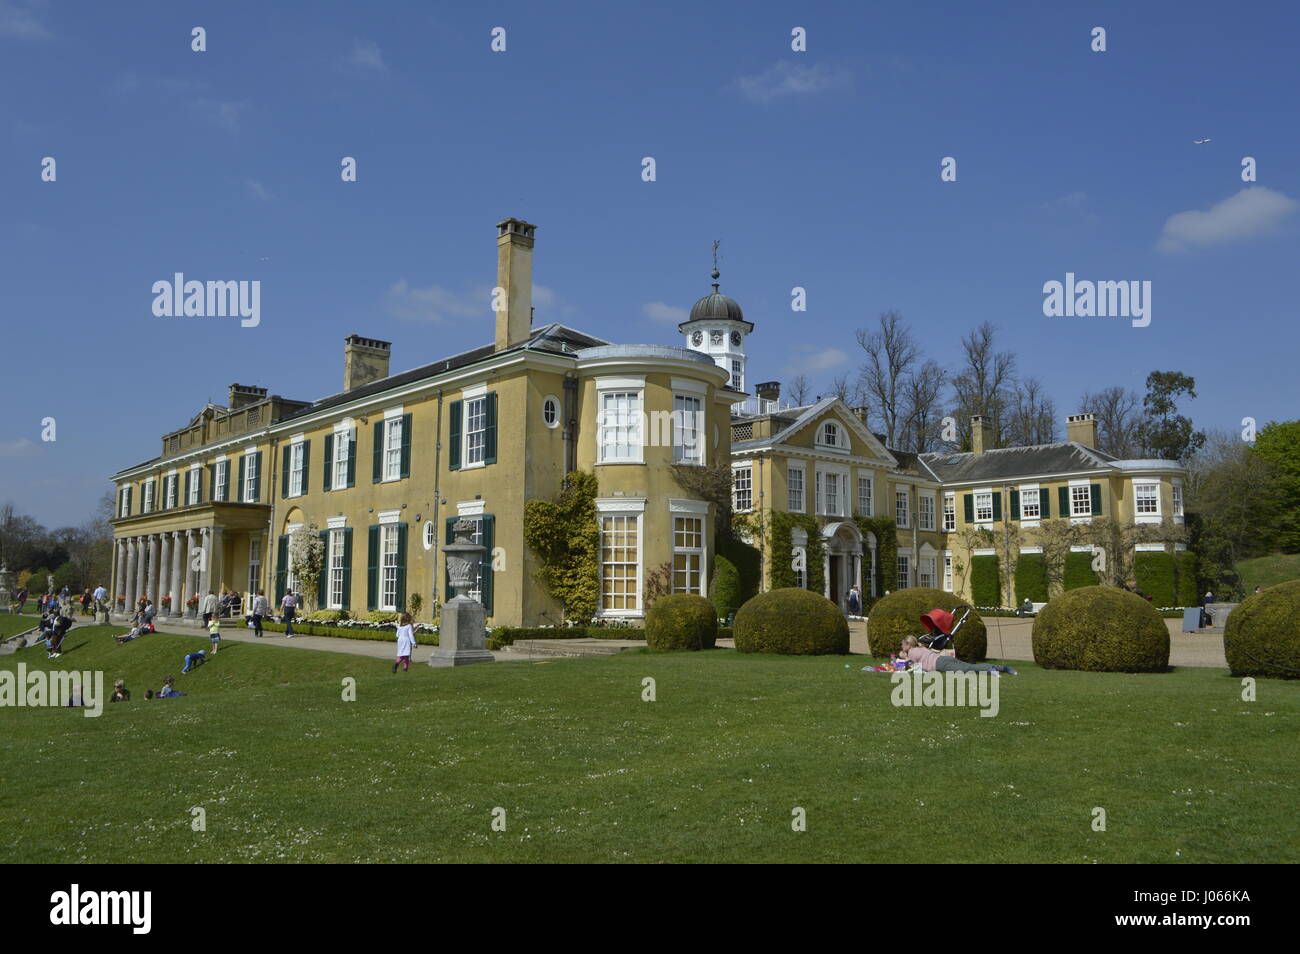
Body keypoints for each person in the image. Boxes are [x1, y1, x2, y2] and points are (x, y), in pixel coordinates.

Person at [899, 635, 1018, 675]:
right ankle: (1002, 668)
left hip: (940, 664)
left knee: (968, 668)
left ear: (909, 645)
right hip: (943, 658)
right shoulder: (920, 647)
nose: (902, 646)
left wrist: (904, 657)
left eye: (903, 644)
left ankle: (991, 669)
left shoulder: (912, 652)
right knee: (967, 666)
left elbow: (909, 667)